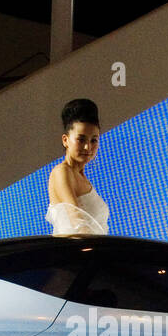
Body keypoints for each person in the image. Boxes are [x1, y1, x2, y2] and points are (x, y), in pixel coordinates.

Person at [47, 98, 109, 235]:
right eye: (81, 139)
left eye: (94, 140)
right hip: (75, 252)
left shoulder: (82, 177)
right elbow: (77, 222)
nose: (88, 147)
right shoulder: (62, 172)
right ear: (65, 140)